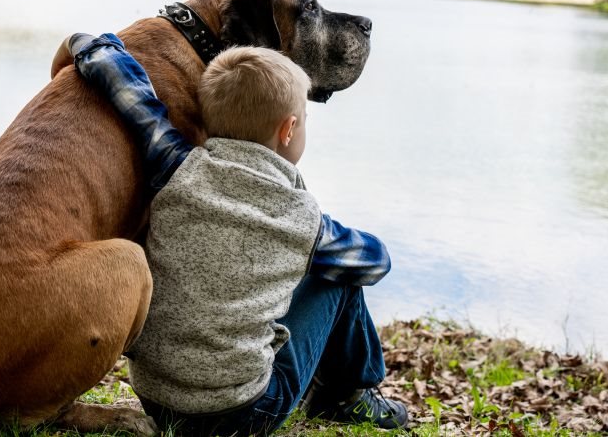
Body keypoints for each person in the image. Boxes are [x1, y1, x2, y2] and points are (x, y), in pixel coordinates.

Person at [66, 32, 409, 436]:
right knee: (338, 279)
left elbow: (135, 98)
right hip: (245, 415)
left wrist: (90, 46)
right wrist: (313, 236)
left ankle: (343, 394)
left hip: (157, 399)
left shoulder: (176, 165)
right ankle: (351, 397)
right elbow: (375, 261)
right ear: (289, 129)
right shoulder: (300, 220)